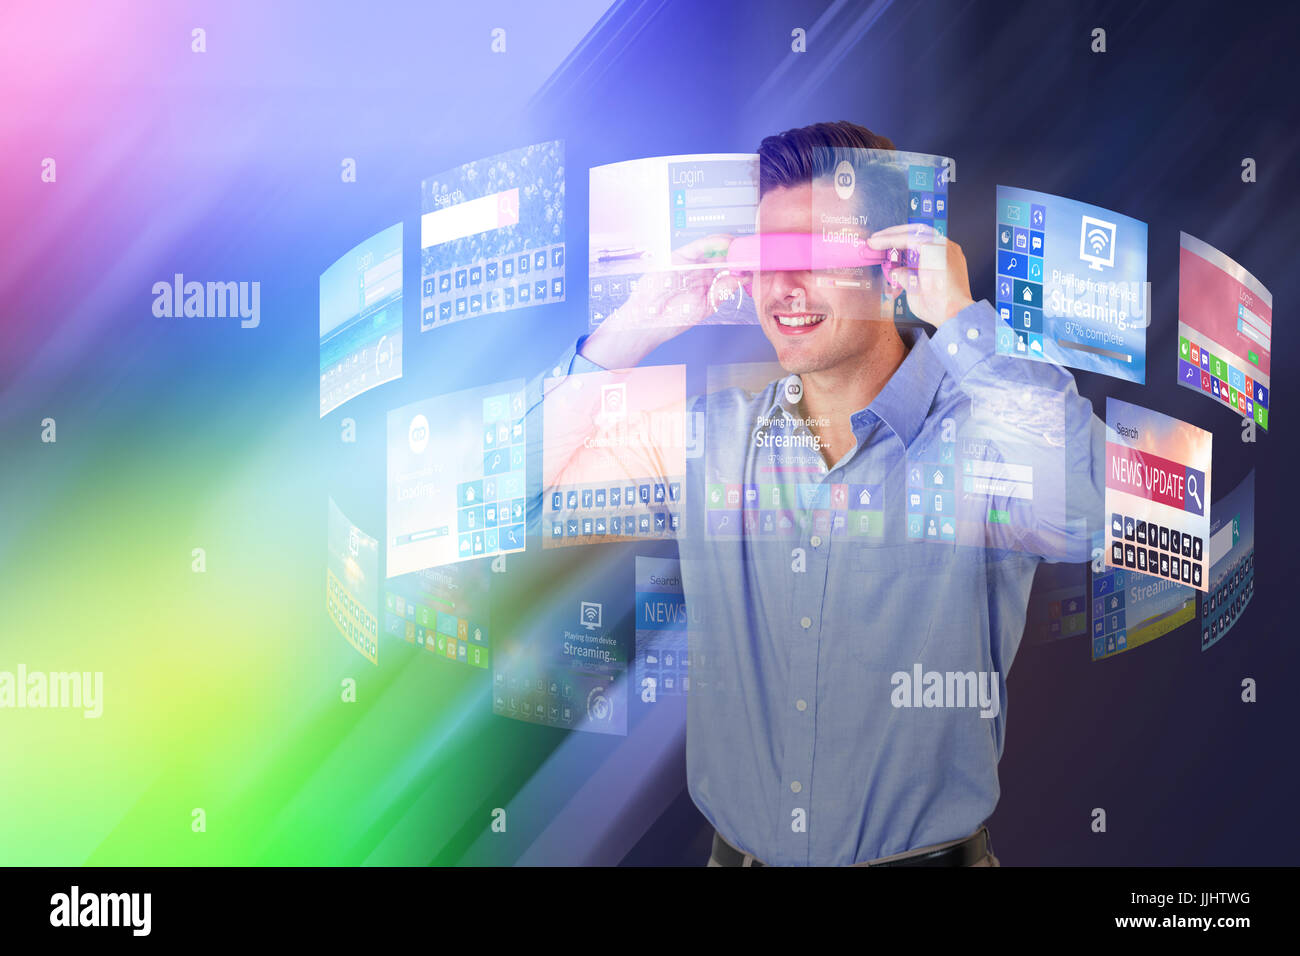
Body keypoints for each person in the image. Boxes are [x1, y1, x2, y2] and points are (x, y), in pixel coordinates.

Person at [530, 121, 1104, 865]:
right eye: (770, 258)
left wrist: (964, 323)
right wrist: (631, 331)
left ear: (891, 266)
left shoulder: (986, 437)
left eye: (815, 257)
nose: (784, 289)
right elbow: (516, 494)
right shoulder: (711, 440)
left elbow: (1090, 517)